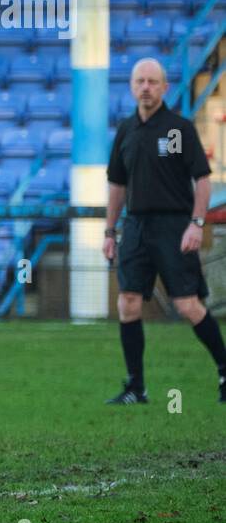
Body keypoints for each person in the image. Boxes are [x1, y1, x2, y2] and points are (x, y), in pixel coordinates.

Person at [103, 57, 226, 405]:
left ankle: (224, 369)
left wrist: (196, 223)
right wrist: (110, 232)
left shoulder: (178, 129)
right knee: (127, 303)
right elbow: (116, 184)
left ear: (164, 87)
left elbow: (202, 179)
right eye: (139, 81)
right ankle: (136, 388)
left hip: (174, 226)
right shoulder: (126, 131)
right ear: (131, 86)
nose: (145, 87)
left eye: (152, 81)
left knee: (187, 305)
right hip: (136, 226)